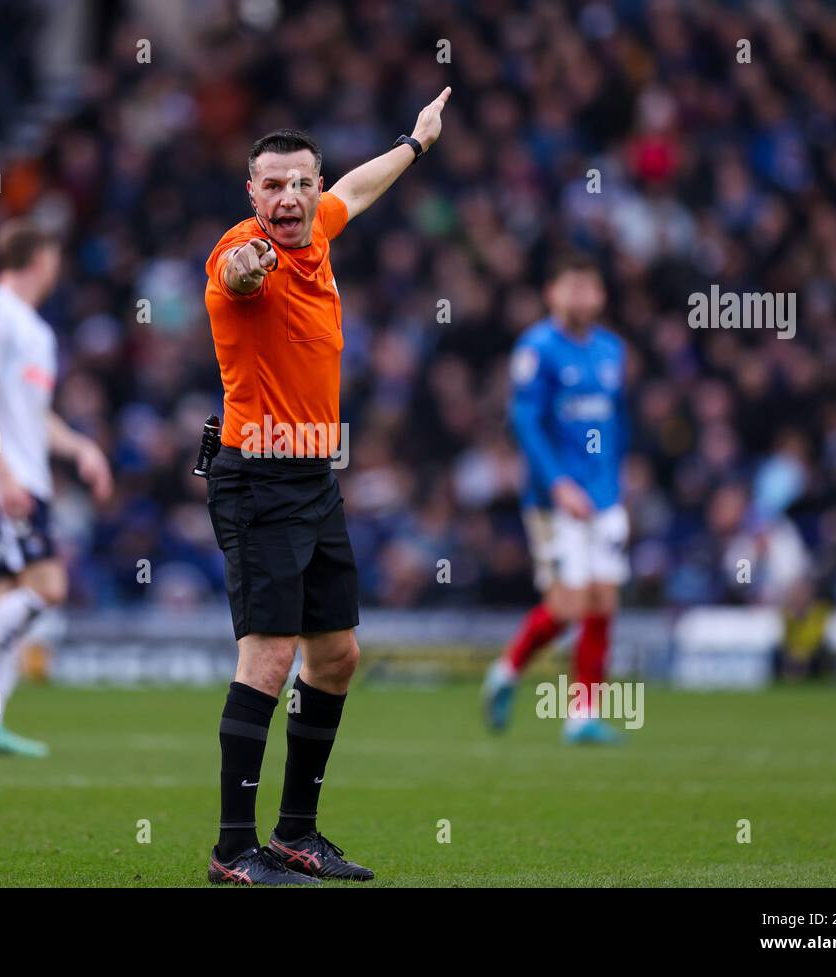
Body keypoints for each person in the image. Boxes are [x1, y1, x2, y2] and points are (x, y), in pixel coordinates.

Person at [201, 88, 452, 885]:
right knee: (268, 661)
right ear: (252, 194)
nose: (288, 197)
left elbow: (358, 189)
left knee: (337, 655)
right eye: (271, 185)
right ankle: (232, 850)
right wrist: (249, 265)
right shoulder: (241, 254)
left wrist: (415, 142)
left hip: (315, 477)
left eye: (299, 182)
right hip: (257, 479)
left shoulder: (320, 232)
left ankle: (297, 833)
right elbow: (237, 276)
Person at [0, 219, 112, 756]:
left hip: (23, 476)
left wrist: (80, 446)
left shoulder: (36, 331)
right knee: (49, 586)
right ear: (41, 259)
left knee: (9, 596)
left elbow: (34, 416)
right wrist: (4, 473)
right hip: (0, 478)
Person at [483, 254, 629, 744]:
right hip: (554, 500)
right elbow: (526, 423)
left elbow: (613, 423)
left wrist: (614, 481)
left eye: (589, 289)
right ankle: (506, 670)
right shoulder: (537, 349)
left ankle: (582, 714)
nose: (581, 297)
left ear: (601, 296)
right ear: (553, 294)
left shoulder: (611, 351)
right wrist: (558, 483)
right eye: (572, 288)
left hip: (604, 496)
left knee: (604, 599)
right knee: (569, 606)